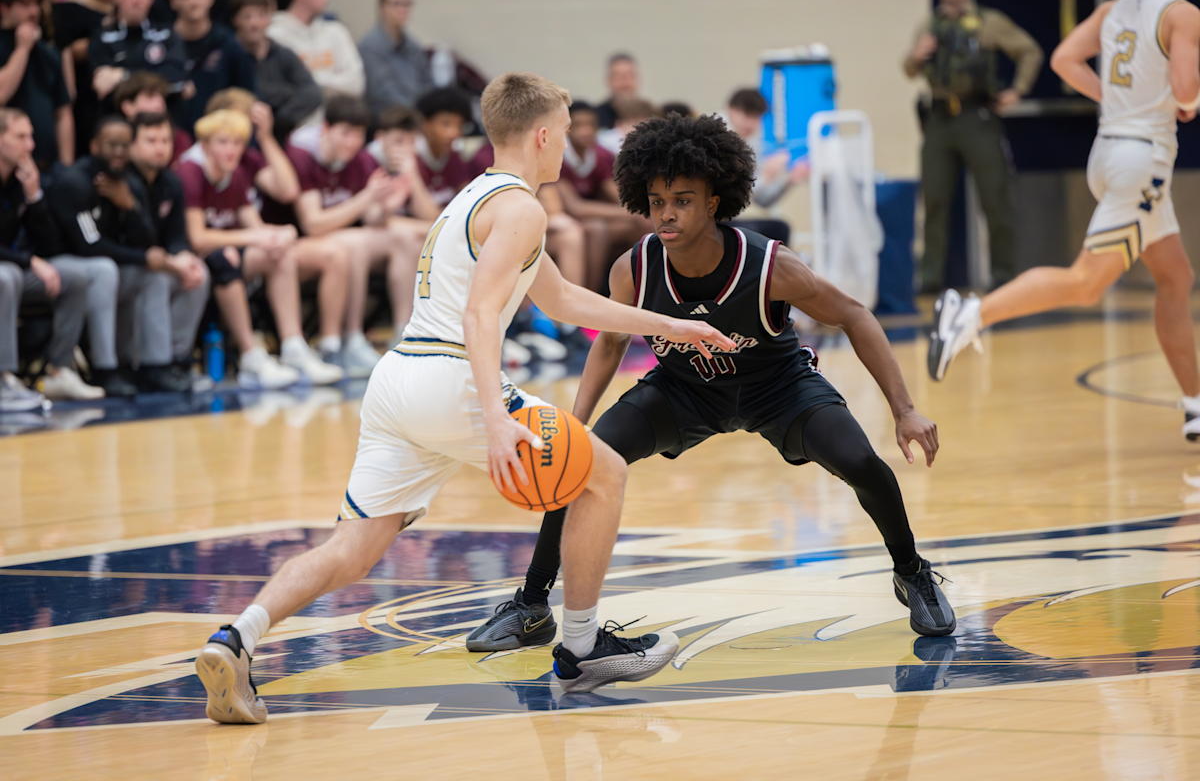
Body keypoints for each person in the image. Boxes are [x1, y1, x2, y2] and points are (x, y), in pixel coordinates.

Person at [194, 73, 736, 724]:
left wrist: (672, 325)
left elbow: (560, 299)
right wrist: (495, 419)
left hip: (397, 382)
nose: (564, 145)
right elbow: (481, 318)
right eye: (562, 132)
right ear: (541, 135)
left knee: (351, 552)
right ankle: (583, 648)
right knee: (605, 474)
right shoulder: (523, 209)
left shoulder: (475, 198)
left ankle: (238, 637)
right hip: (452, 380)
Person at [465, 113, 955, 654]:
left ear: (714, 202)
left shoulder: (771, 265)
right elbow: (608, 342)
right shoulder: (635, 268)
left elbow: (856, 315)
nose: (666, 214)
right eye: (656, 202)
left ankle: (912, 572)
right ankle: (533, 604)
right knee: (575, 461)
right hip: (682, 392)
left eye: (682, 200)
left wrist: (904, 409)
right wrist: (576, 423)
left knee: (863, 463)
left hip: (779, 387)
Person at [929, 0, 1200, 444]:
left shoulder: (1115, 7)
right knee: (1087, 282)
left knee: (1175, 277)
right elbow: (1184, 90)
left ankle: (1195, 404)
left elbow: (1063, 60)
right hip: (1142, 162)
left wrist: (1112, 100)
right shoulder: (1181, 14)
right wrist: (1188, 103)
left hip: (1109, 150)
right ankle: (970, 313)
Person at [178, 108, 345, 387]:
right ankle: (250, 356)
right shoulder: (190, 172)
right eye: (223, 142)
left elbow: (252, 225)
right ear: (205, 145)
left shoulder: (235, 172)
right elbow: (197, 237)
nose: (231, 150)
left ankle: (294, 347)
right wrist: (252, 239)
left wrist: (279, 234)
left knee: (279, 252)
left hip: (223, 249)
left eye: (237, 143)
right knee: (225, 259)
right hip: (188, 256)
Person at [904, 0, 1043, 293]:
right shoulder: (929, 24)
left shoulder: (989, 21)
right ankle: (931, 278)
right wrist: (916, 56)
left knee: (994, 197)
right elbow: (909, 70)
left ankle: (1003, 273)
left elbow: (1029, 51)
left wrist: (1018, 90)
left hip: (977, 117)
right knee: (935, 199)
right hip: (939, 118)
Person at [47, 116, 190, 395]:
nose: (118, 153)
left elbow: (148, 242)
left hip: (104, 271)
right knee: (107, 269)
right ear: (94, 145)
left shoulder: (128, 184)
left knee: (153, 276)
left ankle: (155, 366)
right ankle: (105, 368)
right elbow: (88, 246)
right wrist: (140, 258)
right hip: (63, 268)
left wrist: (131, 207)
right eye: (111, 145)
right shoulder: (74, 183)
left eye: (124, 146)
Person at [281, 96, 421, 376]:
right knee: (355, 243)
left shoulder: (361, 160)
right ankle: (349, 338)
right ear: (326, 129)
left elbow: (370, 218)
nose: (352, 142)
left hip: (337, 237)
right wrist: (366, 197)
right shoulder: (301, 155)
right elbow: (313, 224)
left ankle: (404, 333)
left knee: (406, 238)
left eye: (358, 134)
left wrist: (387, 206)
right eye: (345, 133)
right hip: (295, 242)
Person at [0, 109, 104, 408]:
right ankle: (3, 377)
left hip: (15, 269)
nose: (30, 145)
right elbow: (30, 258)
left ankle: (60, 369)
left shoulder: (22, 179)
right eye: (20, 137)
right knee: (6, 276)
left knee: (73, 275)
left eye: (30, 136)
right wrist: (29, 262)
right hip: (10, 271)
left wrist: (34, 196)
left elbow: (49, 245)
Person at [127, 111, 210, 385]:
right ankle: (154, 364)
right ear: (132, 145)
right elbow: (135, 239)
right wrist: (171, 262)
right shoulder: (124, 182)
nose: (160, 147)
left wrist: (183, 257)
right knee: (158, 280)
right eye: (151, 140)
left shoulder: (171, 182)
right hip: (132, 263)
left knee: (198, 274)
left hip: (161, 260)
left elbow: (176, 235)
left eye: (165, 140)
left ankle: (178, 359)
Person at [556, 101, 651, 292]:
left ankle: (638, 291)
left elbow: (618, 195)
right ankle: (590, 295)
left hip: (596, 217)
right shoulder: (557, 155)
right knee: (598, 229)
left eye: (591, 125)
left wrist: (640, 210)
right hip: (565, 221)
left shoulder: (601, 154)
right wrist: (629, 212)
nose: (586, 130)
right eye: (579, 125)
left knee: (642, 223)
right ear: (565, 128)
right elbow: (575, 208)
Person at [229, 0, 321, 143]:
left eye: (261, 15)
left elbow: (312, 93)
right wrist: (285, 93)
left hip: (281, 133)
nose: (254, 23)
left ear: (270, 18)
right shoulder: (228, 54)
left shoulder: (283, 54)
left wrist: (279, 119)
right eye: (247, 16)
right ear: (235, 19)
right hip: (236, 133)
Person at [0, 0, 74, 172]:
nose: (33, 11)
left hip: (48, 163)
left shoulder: (48, 52)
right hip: (6, 164)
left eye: (36, 4)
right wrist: (22, 49)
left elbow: (63, 112)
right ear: (4, 8)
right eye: (25, 5)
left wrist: (66, 164)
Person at [171, 0, 257, 135]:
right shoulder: (161, 44)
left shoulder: (228, 43)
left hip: (220, 134)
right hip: (171, 134)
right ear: (173, 0)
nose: (194, 1)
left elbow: (247, 93)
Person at [724, 88, 803, 245]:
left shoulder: (751, 144)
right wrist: (766, 176)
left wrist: (788, 180)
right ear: (731, 110)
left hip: (730, 218)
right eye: (747, 115)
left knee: (780, 229)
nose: (751, 123)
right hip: (713, 219)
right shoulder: (716, 139)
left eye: (756, 118)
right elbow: (730, 192)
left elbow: (762, 200)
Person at [90, 0, 189, 104]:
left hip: (162, 113)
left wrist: (123, 75)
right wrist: (156, 76)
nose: (136, 0)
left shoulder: (165, 34)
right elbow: (103, 84)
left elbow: (177, 77)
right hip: (117, 114)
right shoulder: (103, 37)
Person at [267, 0, 364, 99]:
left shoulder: (336, 31)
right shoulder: (274, 34)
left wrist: (311, 80)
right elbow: (285, 87)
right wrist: (333, 81)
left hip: (336, 111)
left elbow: (356, 85)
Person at [53, 0, 114, 161]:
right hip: (83, 96)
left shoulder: (123, 4)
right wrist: (106, 43)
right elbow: (65, 50)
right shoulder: (68, 9)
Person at [359, 0, 431, 115]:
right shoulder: (369, 45)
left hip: (416, 114)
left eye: (407, 3)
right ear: (382, 7)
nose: (402, 8)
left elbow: (426, 82)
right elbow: (381, 91)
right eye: (396, 3)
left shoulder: (413, 45)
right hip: (385, 117)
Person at [414, 86, 473, 210]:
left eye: (460, 125)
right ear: (425, 124)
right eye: (446, 124)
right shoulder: (412, 157)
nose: (455, 133)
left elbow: (468, 202)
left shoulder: (455, 154)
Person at [111, 71, 192, 163]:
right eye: (150, 96)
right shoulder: (114, 140)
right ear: (128, 106)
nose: (159, 103)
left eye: (161, 96)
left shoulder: (179, 138)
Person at [594, 53, 639, 130]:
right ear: (609, 80)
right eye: (618, 77)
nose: (625, 83)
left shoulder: (652, 114)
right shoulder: (596, 116)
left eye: (629, 76)